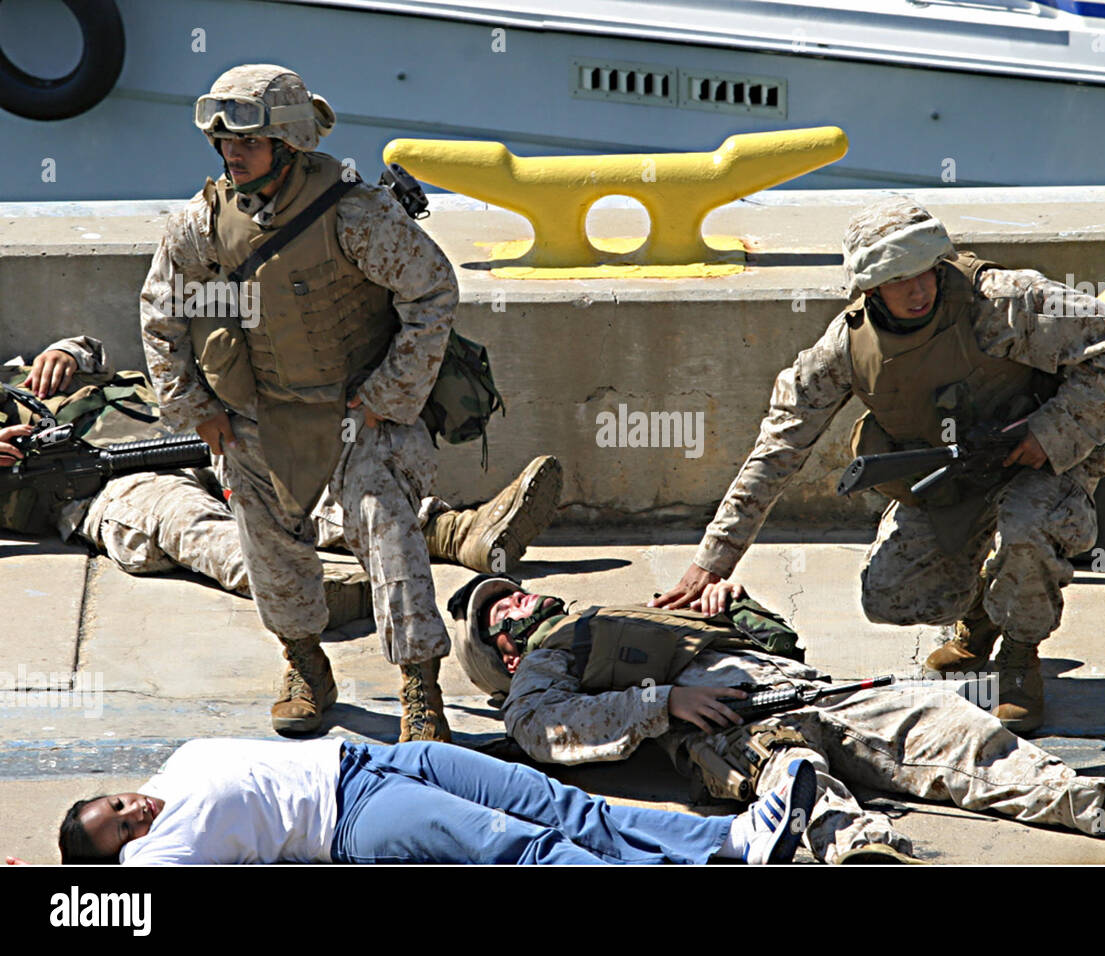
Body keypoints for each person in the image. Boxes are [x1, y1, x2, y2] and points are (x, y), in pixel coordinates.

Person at [651, 194, 1105, 733]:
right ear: (870, 289)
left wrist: (1050, 432)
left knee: (1026, 533)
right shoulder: (847, 348)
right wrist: (714, 561)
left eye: (925, 272)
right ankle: (982, 616)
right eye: (898, 280)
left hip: (1041, 460)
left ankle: (1019, 658)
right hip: (955, 476)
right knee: (890, 596)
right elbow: (779, 447)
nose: (918, 290)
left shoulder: (1001, 302)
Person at [140, 64, 512, 742]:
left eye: (247, 142)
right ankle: (305, 665)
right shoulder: (203, 223)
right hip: (259, 416)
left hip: (356, 411)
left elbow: (432, 291)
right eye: (224, 142)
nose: (231, 154)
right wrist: (197, 410)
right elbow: (161, 315)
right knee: (269, 548)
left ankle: (419, 687)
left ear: (287, 144)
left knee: (388, 530)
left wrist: (385, 396)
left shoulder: (355, 213)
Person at [450, 574, 1105, 864]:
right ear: (504, 656)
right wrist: (662, 703)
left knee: (951, 724)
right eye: (499, 612)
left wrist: (736, 608)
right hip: (727, 728)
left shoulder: (631, 611)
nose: (516, 599)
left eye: (510, 590)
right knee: (795, 776)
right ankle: (865, 855)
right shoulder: (544, 664)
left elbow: (782, 645)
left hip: (809, 687)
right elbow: (543, 730)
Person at [1, 337, 563, 630]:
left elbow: (92, 349)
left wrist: (65, 352)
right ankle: (305, 594)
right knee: (189, 522)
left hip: (180, 432)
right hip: (103, 485)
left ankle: (460, 533)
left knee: (300, 483)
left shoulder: (13, 377)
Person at [54, 737, 816, 866]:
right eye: (120, 830)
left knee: (561, 804)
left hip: (378, 758)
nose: (132, 813)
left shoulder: (176, 767)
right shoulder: (161, 858)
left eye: (115, 804)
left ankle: (732, 840)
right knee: (520, 847)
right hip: (353, 820)